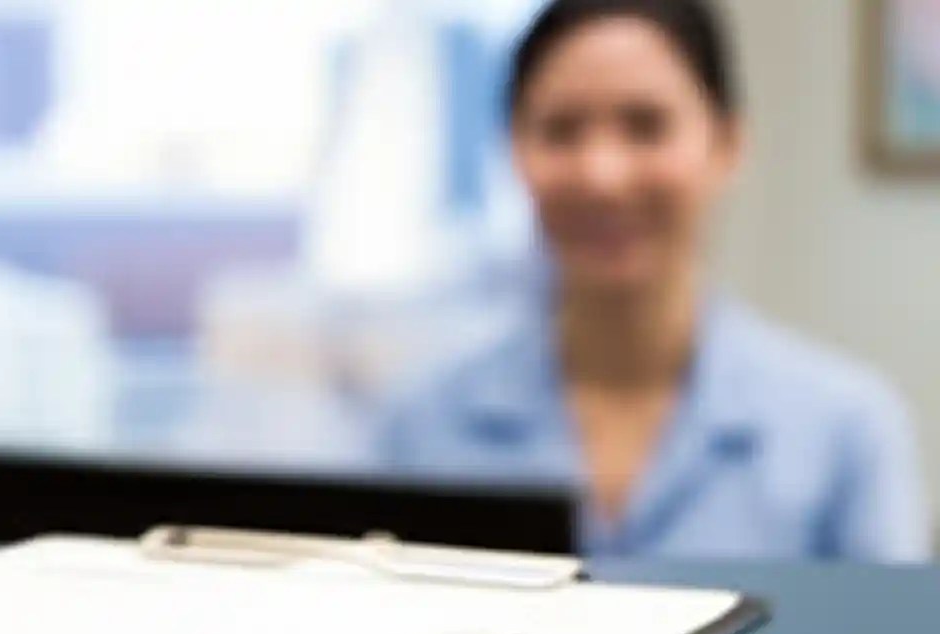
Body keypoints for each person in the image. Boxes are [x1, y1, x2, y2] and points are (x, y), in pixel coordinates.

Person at [381, 0, 931, 561]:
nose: (602, 177)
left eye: (646, 126)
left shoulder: (847, 433)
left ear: (727, 144)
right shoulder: (419, 427)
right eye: (561, 131)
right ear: (515, 151)